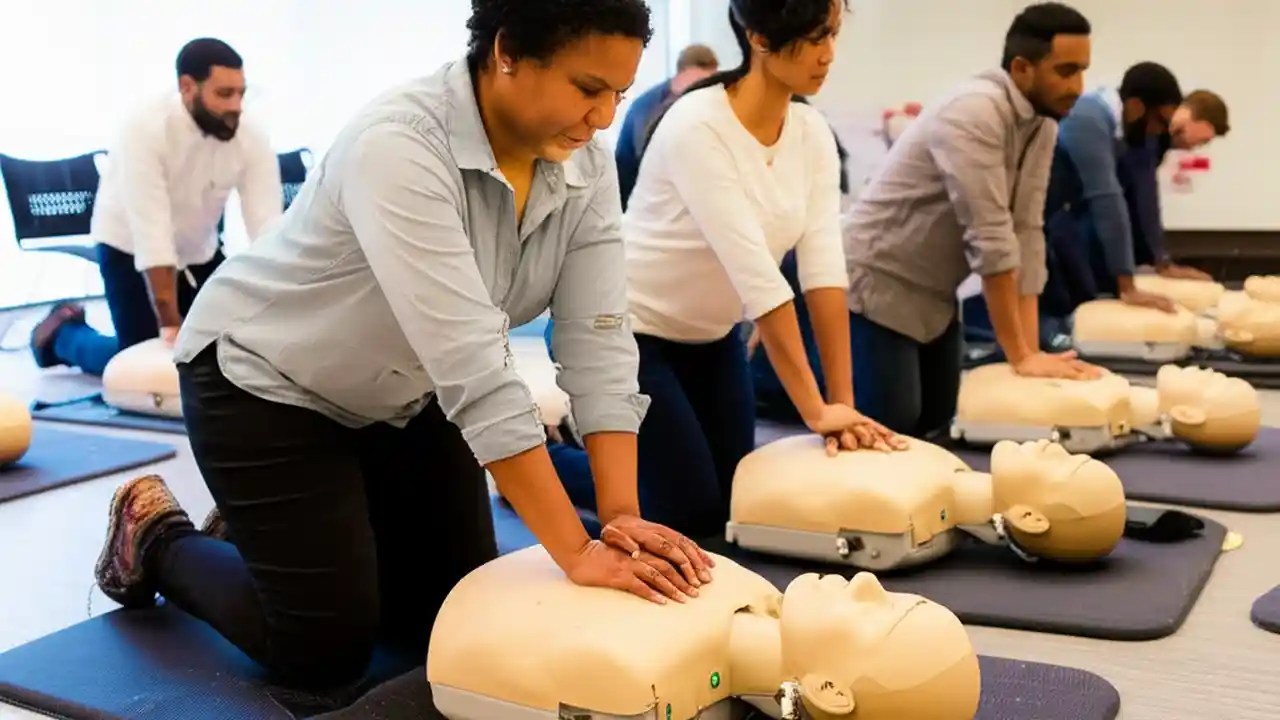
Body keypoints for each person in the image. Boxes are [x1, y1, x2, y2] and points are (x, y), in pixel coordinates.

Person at [91, 0, 715, 692]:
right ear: (507, 51)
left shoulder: (585, 166)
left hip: (399, 394)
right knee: (322, 648)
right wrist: (575, 551)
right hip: (264, 383)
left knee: (449, 615)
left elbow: (599, 342)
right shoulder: (402, 144)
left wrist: (621, 518)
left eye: (619, 94)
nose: (604, 117)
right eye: (587, 88)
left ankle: (270, 534)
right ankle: (156, 535)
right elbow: (475, 368)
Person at [545, 0, 903, 541]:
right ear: (759, 36)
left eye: (832, 35)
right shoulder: (698, 125)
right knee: (685, 515)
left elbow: (824, 269)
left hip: (711, 337)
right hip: (623, 330)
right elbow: (757, 276)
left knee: (736, 501)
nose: (828, 55)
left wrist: (842, 406)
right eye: (812, 38)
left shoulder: (810, 132)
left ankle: (615, 446)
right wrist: (812, 409)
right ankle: (554, 456)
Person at [833, 2, 1103, 438]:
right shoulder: (974, 112)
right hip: (876, 279)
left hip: (936, 293)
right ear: (1021, 67)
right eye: (1066, 70)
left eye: (1082, 70)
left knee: (938, 419)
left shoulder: (1042, 124)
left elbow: (1027, 231)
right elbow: (991, 238)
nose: (1078, 85)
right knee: (891, 423)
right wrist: (1018, 355)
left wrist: (1030, 351)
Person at [28, 38, 281, 377]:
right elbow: (152, 233)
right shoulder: (145, 127)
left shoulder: (251, 133)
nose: (236, 105)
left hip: (198, 250)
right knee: (136, 363)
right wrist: (170, 325)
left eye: (241, 93)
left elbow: (268, 228)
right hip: (128, 247)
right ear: (187, 87)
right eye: (224, 94)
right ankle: (61, 336)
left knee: (225, 345)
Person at [1044, 61, 1188, 316]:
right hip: (1038, 223)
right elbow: (1107, 199)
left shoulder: (1118, 128)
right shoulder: (1088, 118)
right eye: (1159, 121)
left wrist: (1160, 261)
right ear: (1135, 106)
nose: (1158, 132)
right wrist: (1128, 286)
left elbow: (1144, 198)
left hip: (1060, 220)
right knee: (1063, 311)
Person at [1119, 89, 1230, 283]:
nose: (1198, 147)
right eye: (1204, 140)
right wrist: (1163, 264)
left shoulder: (1157, 142)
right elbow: (1145, 199)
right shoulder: (1148, 135)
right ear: (1194, 118)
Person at [613, 43, 720, 210]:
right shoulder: (647, 110)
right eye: (697, 84)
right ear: (679, 78)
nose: (701, 92)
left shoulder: (712, 105)